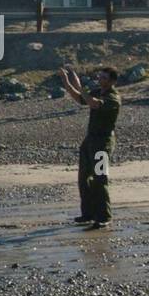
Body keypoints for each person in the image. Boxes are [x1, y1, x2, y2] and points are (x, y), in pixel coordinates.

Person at [60, 65, 121, 229]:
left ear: (112, 81)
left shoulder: (113, 98)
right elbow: (81, 99)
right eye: (100, 77)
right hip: (90, 142)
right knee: (83, 178)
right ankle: (88, 213)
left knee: (99, 180)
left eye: (104, 78)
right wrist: (67, 83)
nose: (100, 81)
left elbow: (94, 104)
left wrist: (80, 86)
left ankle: (104, 216)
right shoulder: (97, 91)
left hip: (103, 143)